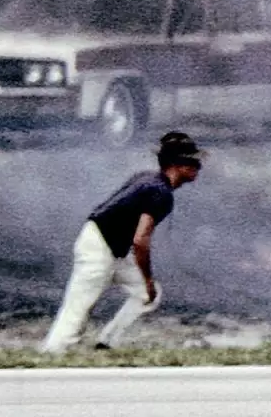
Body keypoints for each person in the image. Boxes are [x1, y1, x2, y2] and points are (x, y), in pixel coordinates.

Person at [40, 133, 204, 354]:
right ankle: (53, 353)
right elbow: (140, 241)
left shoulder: (147, 178)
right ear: (177, 165)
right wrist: (147, 277)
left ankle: (106, 342)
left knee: (147, 295)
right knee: (79, 305)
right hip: (99, 246)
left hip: (113, 247)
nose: (198, 167)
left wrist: (146, 283)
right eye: (193, 162)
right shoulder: (160, 193)